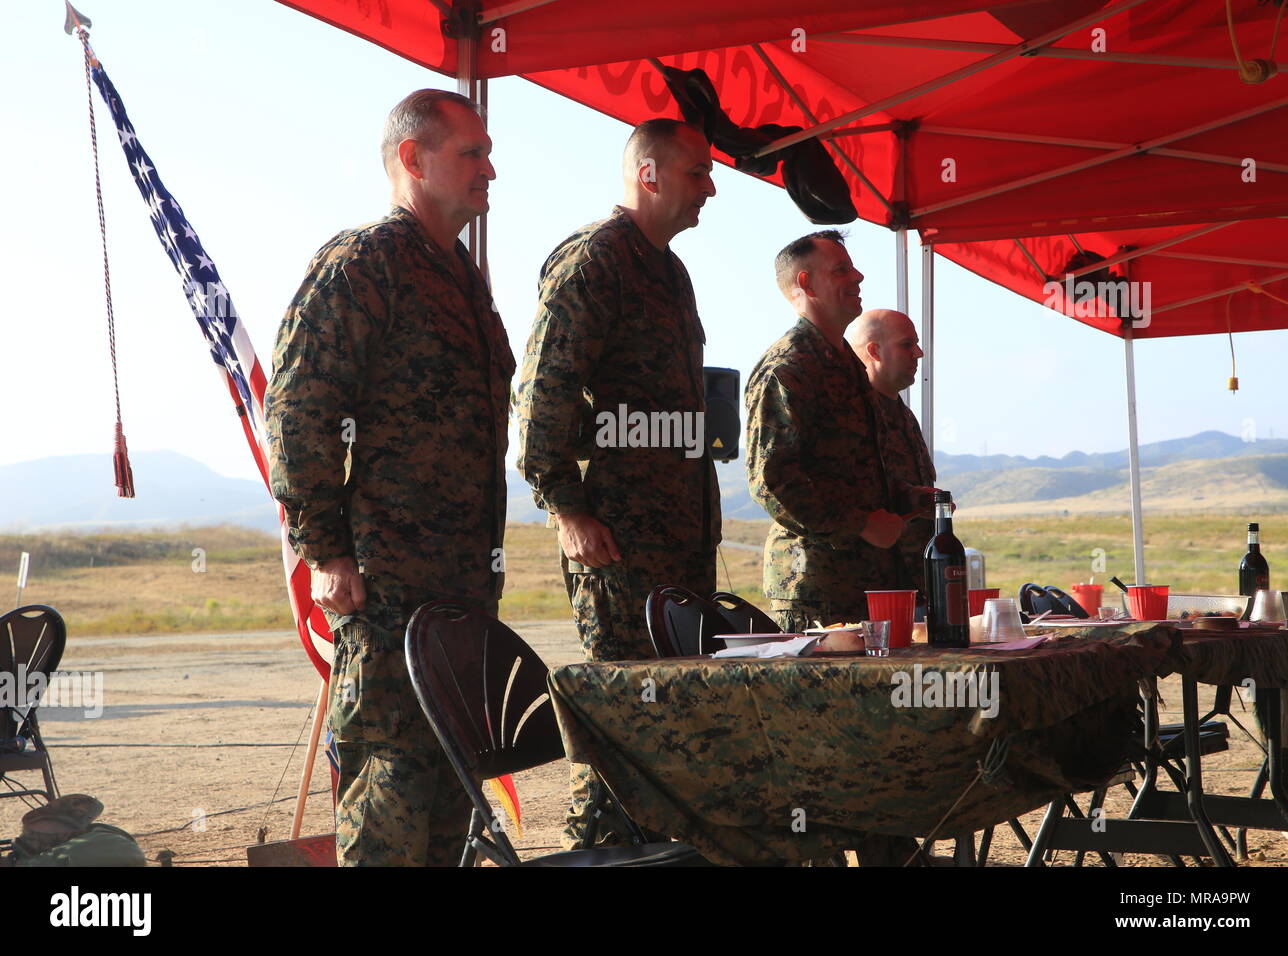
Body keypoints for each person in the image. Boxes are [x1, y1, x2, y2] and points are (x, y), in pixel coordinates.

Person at [264, 89, 513, 867]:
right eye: (472, 153)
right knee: (389, 804)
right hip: (386, 592)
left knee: (449, 807)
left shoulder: (463, 276)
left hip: (461, 596)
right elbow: (298, 408)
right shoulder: (364, 262)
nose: (490, 171)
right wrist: (326, 551)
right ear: (414, 158)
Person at [515, 118, 721, 847]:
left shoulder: (668, 270)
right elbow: (542, 392)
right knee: (622, 723)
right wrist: (565, 506)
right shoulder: (597, 260)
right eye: (697, 172)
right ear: (650, 174)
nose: (711, 187)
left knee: (671, 726)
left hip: (678, 540)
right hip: (619, 541)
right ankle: (593, 855)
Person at [746, 231, 939, 633]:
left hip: (872, 584)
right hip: (820, 588)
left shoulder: (848, 369)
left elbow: (856, 473)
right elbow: (773, 481)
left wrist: (906, 499)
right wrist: (861, 523)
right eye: (841, 270)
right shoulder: (789, 367)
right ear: (806, 283)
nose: (859, 277)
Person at [846, 310, 942, 610]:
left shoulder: (900, 413)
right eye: (906, 344)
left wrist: (919, 499)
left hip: (903, 588)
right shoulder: (848, 413)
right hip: (857, 590)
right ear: (874, 350)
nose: (919, 353)